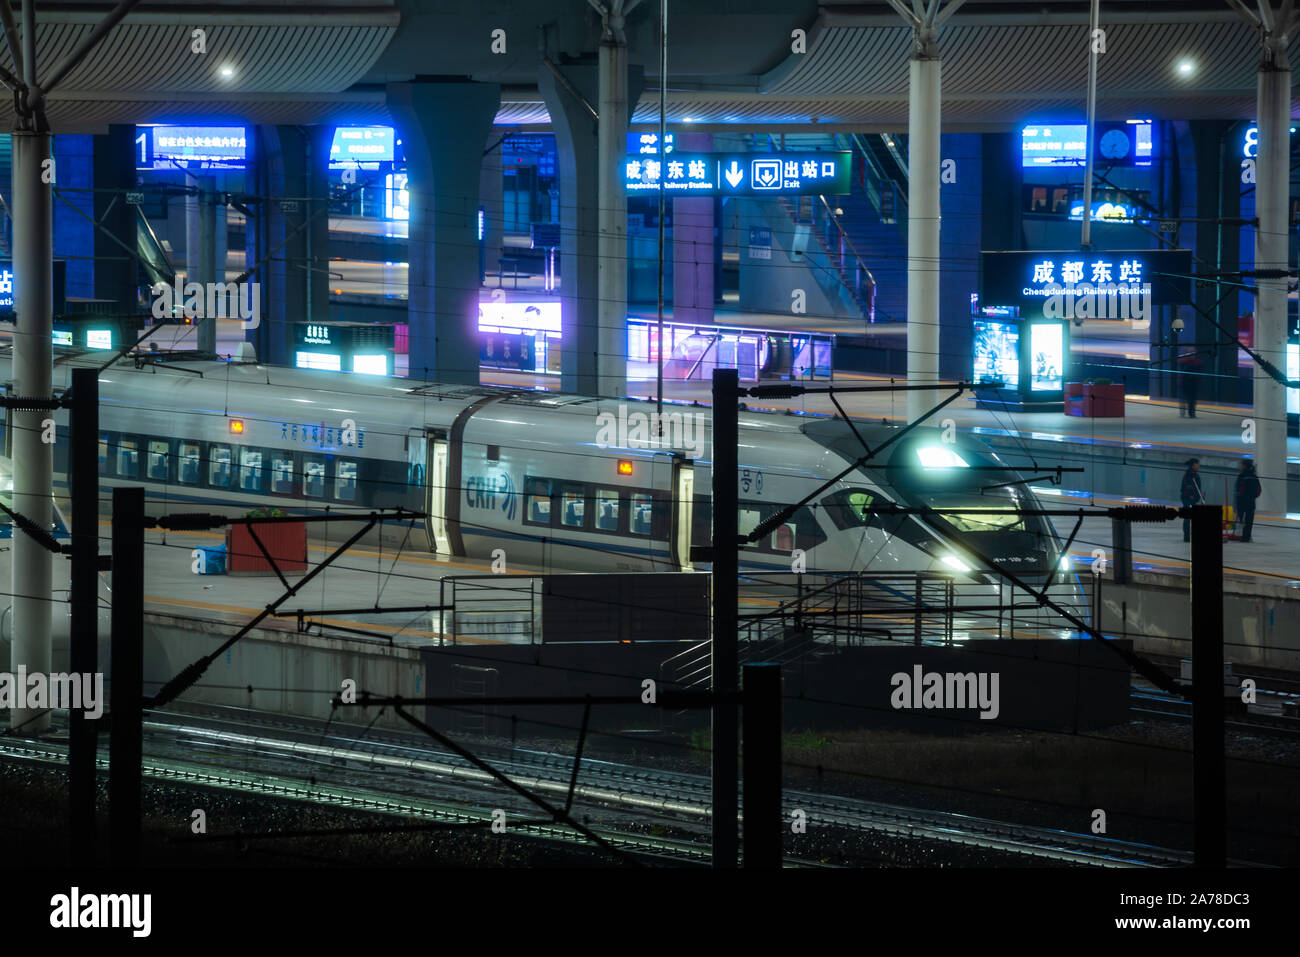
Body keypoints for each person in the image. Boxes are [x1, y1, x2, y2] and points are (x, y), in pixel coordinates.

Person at [1234, 458, 1261, 543]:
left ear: (1244, 466)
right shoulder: (1254, 476)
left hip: (1242, 501)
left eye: (1241, 464)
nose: (1240, 466)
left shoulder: (1242, 476)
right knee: (1249, 521)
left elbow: (1238, 489)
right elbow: (1259, 490)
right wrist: (1253, 496)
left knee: (1241, 519)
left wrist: (1240, 497)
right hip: (1251, 502)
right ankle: (1247, 537)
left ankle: (1239, 535)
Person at [1179, 458, 1204, 542]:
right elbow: (1186, 488)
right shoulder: (1189, 475)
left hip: (1193, 499)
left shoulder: (1195, 475)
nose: (1199, 466)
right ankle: (1186, 536)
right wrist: (1191, 496)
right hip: (1187, 499)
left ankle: (1189, 535)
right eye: (1197, 464)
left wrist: (1198, 496)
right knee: (1187, 517)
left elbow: (1198, 488)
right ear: (1193, 465)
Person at [1178, 349, 1203, 418]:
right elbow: (1181, 372)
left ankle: (1191, 413)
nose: (1192, 354)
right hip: (1185, 383)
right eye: (1190, 353)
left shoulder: (1198, 362)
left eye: (1193, 353)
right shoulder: (1183, 361)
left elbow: (1199, 372)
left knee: (1192, 399)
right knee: (1184, 398)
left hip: (1193, 383)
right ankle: (1183, 412)